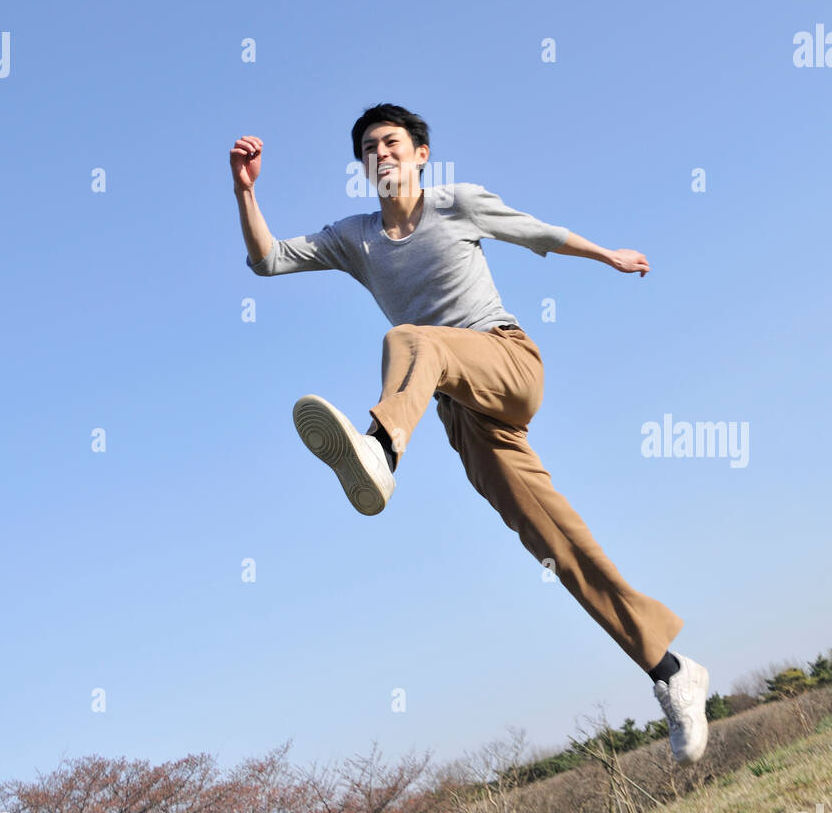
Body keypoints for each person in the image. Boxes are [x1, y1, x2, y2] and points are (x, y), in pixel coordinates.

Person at [230, 102, 709, 764]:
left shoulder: (458, 203)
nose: (382, 154)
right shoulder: (355, 237)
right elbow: (267, 261)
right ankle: (670, 669)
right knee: (553, 544)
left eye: (392, 142)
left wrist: (607, 255)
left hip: (505, 361)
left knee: (410, 338)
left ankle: (381, 446)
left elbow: (537, 233)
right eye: (369, 147)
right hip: (461, 409)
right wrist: (245, 191)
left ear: (420, 153)